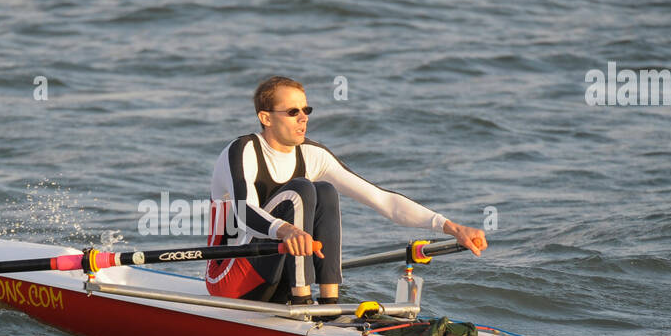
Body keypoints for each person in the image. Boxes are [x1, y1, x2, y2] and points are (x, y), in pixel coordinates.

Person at [206, 75, 487, 304]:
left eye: (307, 110)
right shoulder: (243, 150)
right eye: (293, 112)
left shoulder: (313, 155)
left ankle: (329, 303)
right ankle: (303, 301)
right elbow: (244, 211)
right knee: (302, 189)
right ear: (266, 118)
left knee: (326, 191)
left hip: (280, 275)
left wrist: (452, 228)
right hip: (231, 277)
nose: (303, 118)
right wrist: (287, 230)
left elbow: (385, 201)